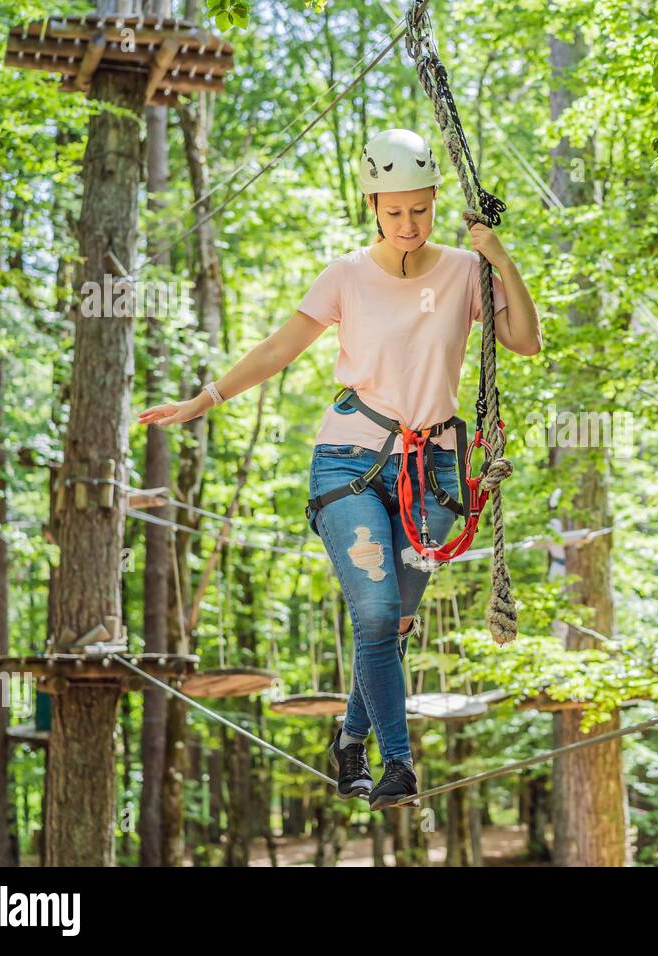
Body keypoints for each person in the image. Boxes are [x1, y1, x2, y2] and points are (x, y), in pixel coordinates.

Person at [139, 128, 542, 809]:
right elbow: (279, 349)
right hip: (350, 462)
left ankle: (351, 739)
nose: (409, 224)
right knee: (377, 613)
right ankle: (398, 763)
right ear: (372, 206)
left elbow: (526, 340)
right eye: (395, 211)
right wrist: (204, 399)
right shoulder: (347, 276)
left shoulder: (462, 272)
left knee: (393, 624)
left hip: (434, 475)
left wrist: (501, 260)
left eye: (421, 209)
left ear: (436, 201)